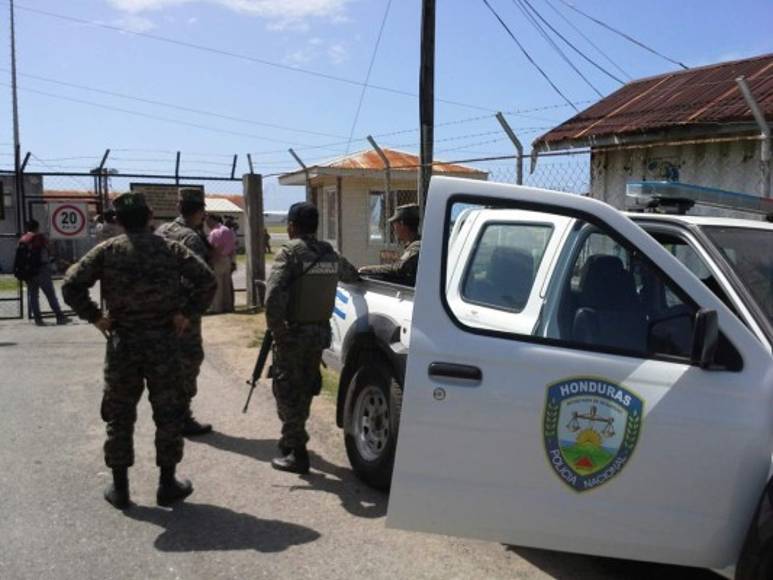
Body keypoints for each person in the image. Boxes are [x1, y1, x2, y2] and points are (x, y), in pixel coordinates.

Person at [62, 192, 216, 509]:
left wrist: (95, 317)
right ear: (149, 217)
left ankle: (120, 489)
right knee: (168, 413)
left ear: (118, 220)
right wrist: (185, 313)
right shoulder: (172, 249)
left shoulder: (107, 251)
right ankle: (166, 484)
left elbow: (71, 284)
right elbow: (207, 281)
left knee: (119, 415)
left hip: (123, 345)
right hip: (164, 344)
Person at [265, 202, 359, 474]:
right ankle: (290, 439)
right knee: (305, 387)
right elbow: (352, 275)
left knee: (286, 391)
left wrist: (278, 332)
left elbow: (272, 299)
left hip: (293, 336)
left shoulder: (290, 254)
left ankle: (297, 451)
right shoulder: (329, 253)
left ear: (292, 226)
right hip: (318, 335)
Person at [156, 188, 214, 436]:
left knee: (166, 363)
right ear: (200, 211)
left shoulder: (161, 231)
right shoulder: (191, 238)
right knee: (189, 361)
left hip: (159, 310)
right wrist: (189, 312)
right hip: (182, 313)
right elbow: (201, 279)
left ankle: (167, 413)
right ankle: (181, 416)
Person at [15, 219, 68, 326]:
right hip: (42, 269)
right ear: (37, 227)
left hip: (28, 272)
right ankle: (59, 316)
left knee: (33, 295)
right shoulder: (40, 237)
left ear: (27, 228)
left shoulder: (22, 239)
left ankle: (38, 319)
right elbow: (50, 250)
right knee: (50, 294)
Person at [358, 204, 421, 286]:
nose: (394, 229)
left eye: (395, 224)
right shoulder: (413, 245)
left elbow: (398, 268)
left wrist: (368, 270)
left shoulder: (417, 246)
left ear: (402, 224)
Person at [206, 214, 236, 314]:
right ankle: (227, 306)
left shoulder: (214, 232)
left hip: (217, 259)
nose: (207, 223)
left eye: (208, 221)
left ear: (213, 220)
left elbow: (212, 247)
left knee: (218, 284)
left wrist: (215, 257)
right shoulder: (227, 230)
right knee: (226, 284)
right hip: (227, 258)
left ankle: (217, 307)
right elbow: (232, 246)